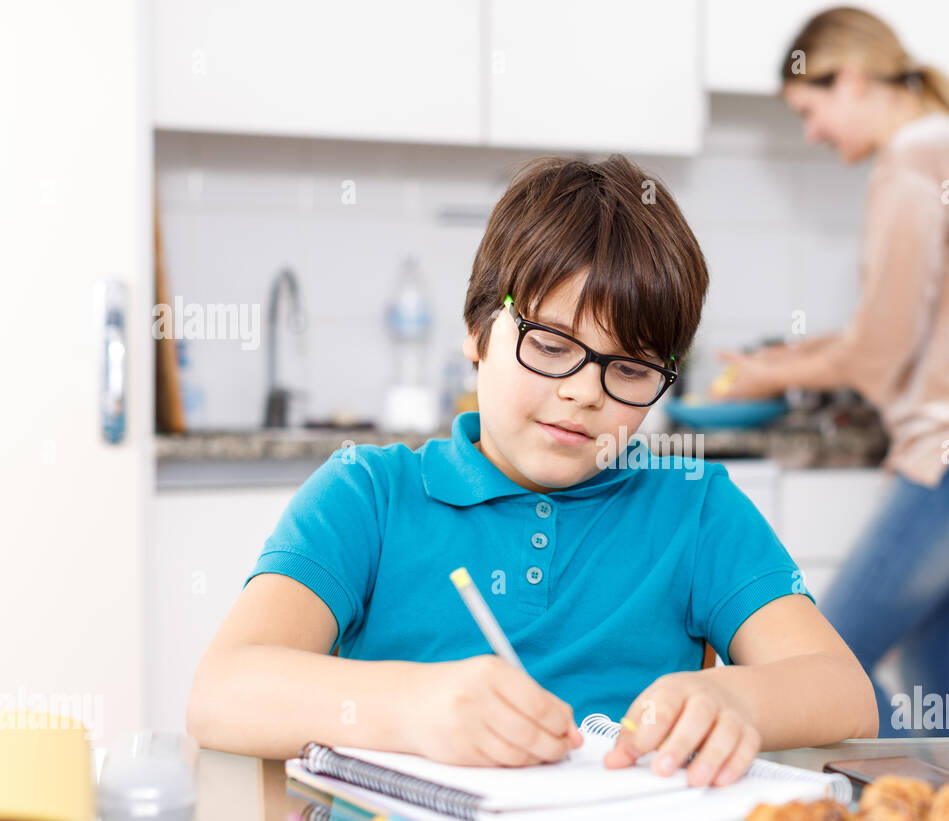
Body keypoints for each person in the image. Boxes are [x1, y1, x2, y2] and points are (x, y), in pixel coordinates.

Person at [187, 154, 878, 782]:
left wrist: (733, 698)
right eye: (550, 344)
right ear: (476, 328)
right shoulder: (367, 494)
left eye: (631, 368)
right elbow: (222, 693)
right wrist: (412, 707)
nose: (585, 391)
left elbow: (846, 696)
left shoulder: (694, 508)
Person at [712, 7, 949, 738]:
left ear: (848, 78)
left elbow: (879, 350)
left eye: (811, 111)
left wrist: (767, 377)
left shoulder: (914, 159)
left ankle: (905, 816)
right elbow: (898, 329)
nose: (812, 133)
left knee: (828, 664)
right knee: (940, 674)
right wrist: (779, 362)